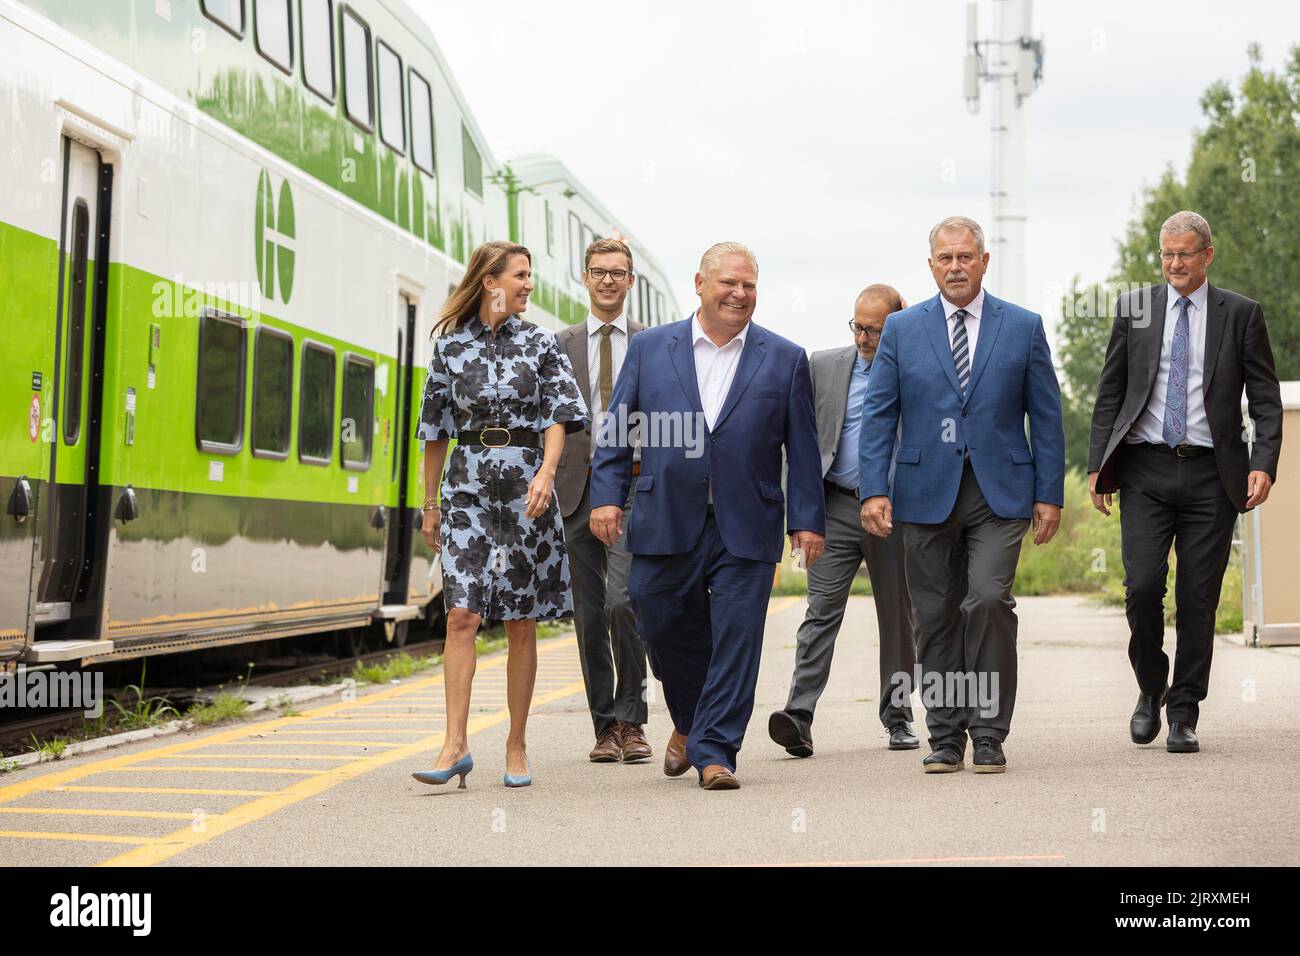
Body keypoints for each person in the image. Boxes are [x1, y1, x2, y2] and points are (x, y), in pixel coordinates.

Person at [589, 242, 826, 790]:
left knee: (738, 637)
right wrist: (606, 496)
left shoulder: (785, 357)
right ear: (700, 284)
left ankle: (716, 751)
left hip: (747, 520)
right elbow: (618, 428)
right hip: (665, 515)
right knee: (657, 618)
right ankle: (692, 721)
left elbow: (803, 449)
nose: (740, 294)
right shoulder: (650, 348)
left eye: (749, 285)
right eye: (729, 283)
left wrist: (806, 521)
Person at [859, 216, 1065, 774]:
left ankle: (990, 732)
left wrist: (1049, 494)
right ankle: (946, 735)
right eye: (945, 258)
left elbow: (1047, 416)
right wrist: (873, 488)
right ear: (931, 266)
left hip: (1000, 493)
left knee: (988, 600)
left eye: (965, 257)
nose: (956, 267)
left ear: (983, 261)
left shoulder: (1023, 327)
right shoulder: (901, 330)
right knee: (934, 616)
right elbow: (879, 415)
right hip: (924, 492)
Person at [1088, 210, 1282, 754]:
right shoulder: (1135, 309)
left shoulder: (1240, 314)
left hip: (1212, 473)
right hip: (1145, 468)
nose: (1174, 263)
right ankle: (1151, 686)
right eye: (1167, 254)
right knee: (1143, 586)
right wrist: (1097, 466)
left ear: (1207, 255)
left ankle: (1184, 709)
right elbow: (1110, 391)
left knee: (1198, 596)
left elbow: (1265, 399)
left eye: (1185, 254)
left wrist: (1263, 462)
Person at [411, 241, 587, 789]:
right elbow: (434, 429)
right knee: (460, 615)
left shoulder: (540, 342)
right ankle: (454, 745)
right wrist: (430, 503)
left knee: (519, 618)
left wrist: (546, 474)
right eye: (521, 275)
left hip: (525, 488)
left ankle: (516, 744)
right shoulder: (450, 346)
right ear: (490, 281)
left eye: (529, 275)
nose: (528, 284)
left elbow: (559, 416)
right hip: (466, 490)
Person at [769, 284, 920, 757]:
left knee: (898, 618)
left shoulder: (917, 368)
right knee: (820, 611)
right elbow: (799, 442)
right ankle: (798, 715)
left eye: (873, 330)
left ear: (898, 322)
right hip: (834, 507)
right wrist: (801, 517)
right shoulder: (823, 365)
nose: (862, 338)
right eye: (857, 327)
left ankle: (898, 717)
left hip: (893, 511)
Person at [554, 238, 652, 764]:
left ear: (630, 281)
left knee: (623, 601)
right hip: (576, 488)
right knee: (589, 614)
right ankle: (605, 727)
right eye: (599, 272)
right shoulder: (559, 344)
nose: (608, 281)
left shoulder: (652, 343)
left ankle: (632, 721)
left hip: (633, 485)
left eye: (617, 273)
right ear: (585, 277)